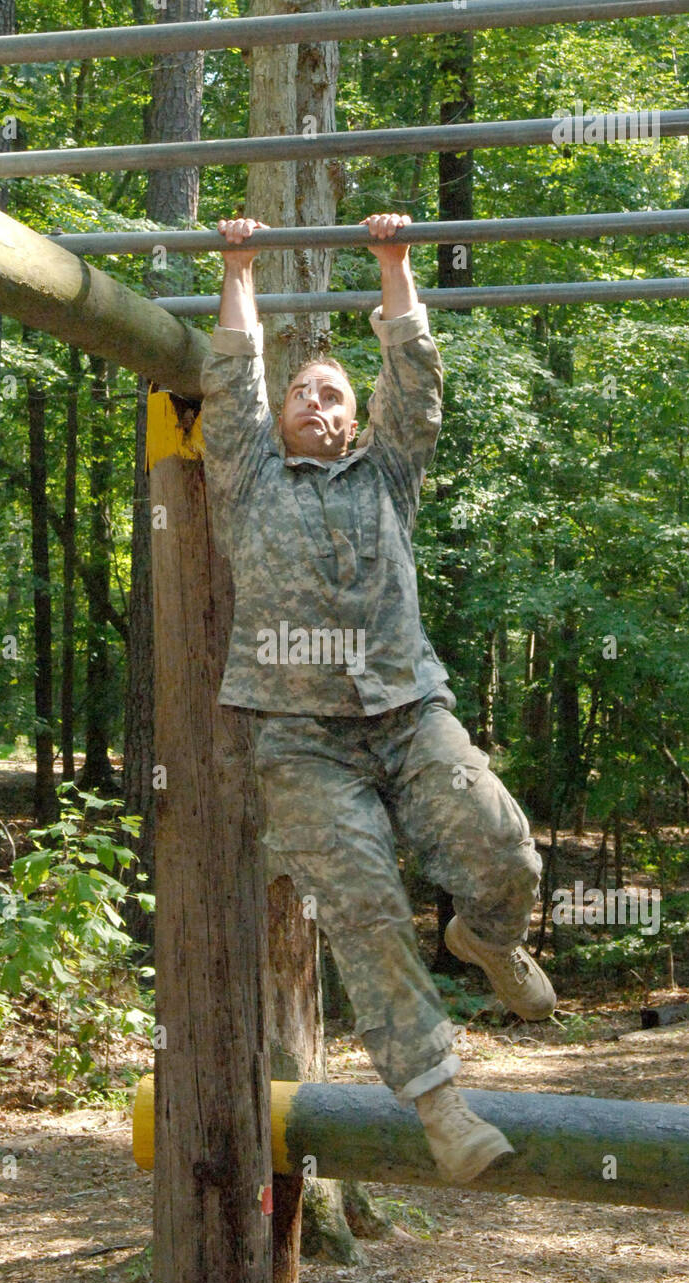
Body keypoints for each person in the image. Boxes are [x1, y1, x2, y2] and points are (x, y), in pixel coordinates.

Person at [198, 211, 556, 1184]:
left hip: (406, 712)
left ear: (353, 418)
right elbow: (232, 373)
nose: (317, 400)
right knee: (364, 906)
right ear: (278, 418)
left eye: (334, 392)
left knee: (506, 847)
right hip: (300, 739)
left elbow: (419, 388)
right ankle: (441, 1103)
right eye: (302, 390)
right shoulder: (246, 479)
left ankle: (488, 934)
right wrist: (239, 267)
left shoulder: (387, 475)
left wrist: (395, 265)